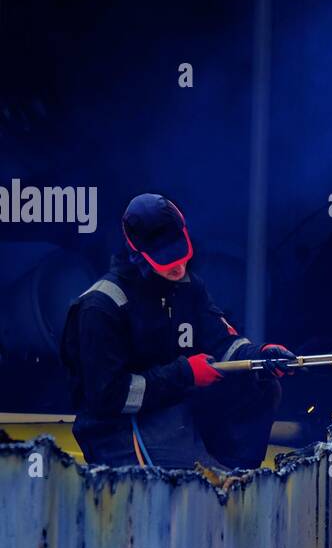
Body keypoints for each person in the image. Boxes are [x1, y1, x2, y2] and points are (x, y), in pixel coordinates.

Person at [61, 194, 296, 470]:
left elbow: (223, 342)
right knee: (200, 484)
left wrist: (260, 356)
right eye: (166, 259)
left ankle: (236, 471)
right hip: (119, 427)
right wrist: (185, 374)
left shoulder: (188, 288)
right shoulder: (102, 306)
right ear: (137, 254)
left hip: (177, 409)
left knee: (260, 385)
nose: (178, 267)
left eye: (180, 254)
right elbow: (109, 397)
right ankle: (209, 477)